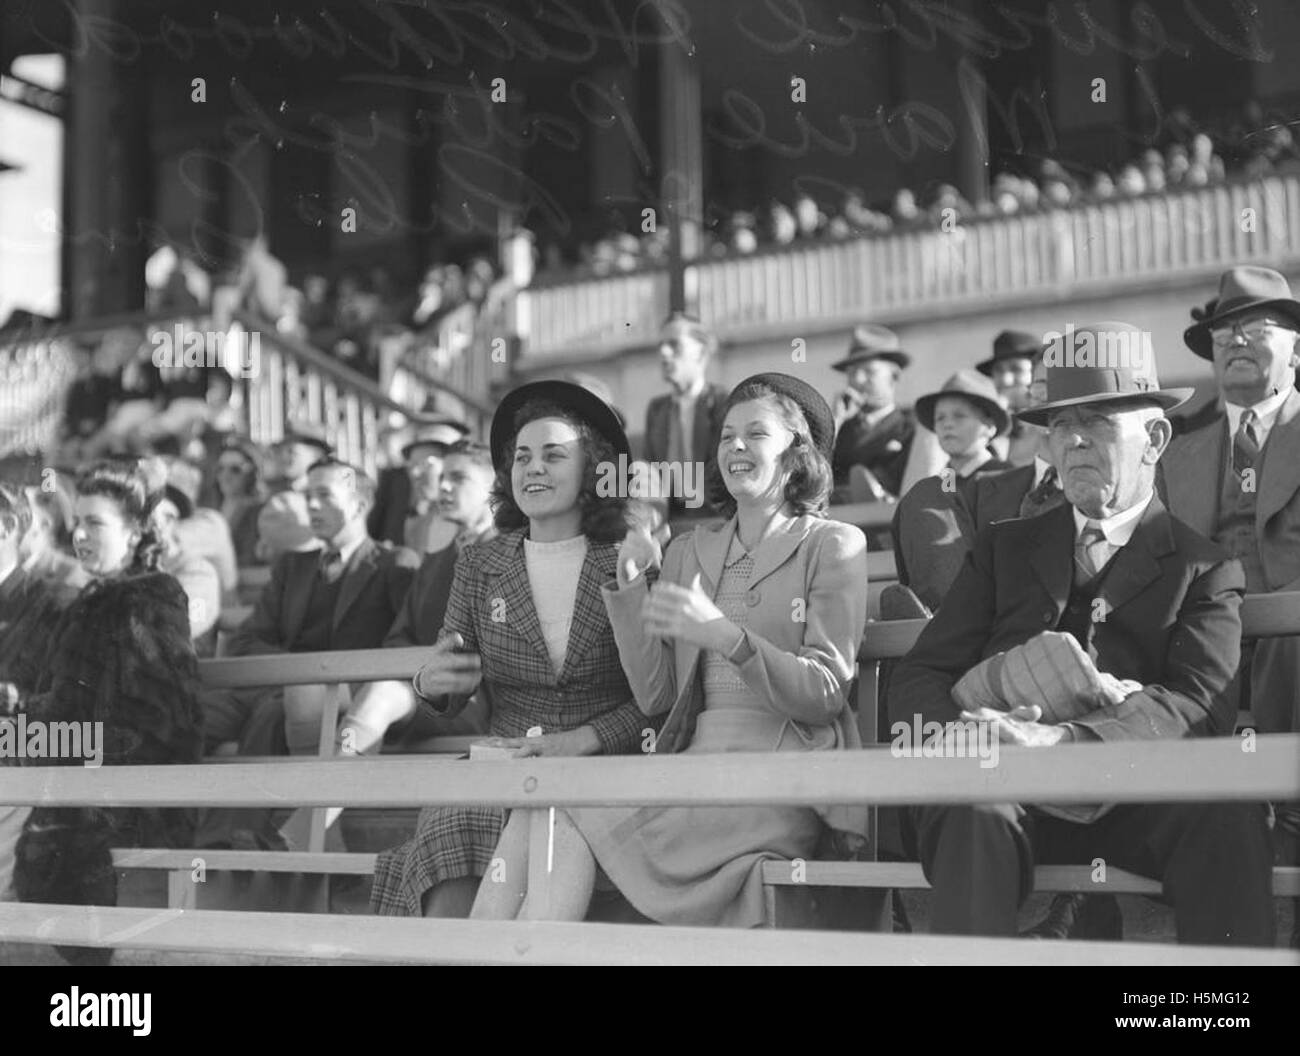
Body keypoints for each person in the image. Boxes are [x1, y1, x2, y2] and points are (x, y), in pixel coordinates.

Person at [890, 323, 1274, 947]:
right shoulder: (1002, 549)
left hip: (1131, 796)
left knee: (1229, 812)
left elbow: (1200, 706)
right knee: (968, 801)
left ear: (1154, 438)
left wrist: (1062, 739)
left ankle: (1219, 1012)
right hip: (1003, 790)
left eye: (1094, 423)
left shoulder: (1201, 565)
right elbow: (918, 676)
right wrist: (965, 737)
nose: (1071, 441)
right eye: (1059, 426)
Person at [470, 373, 869, 926]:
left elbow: (825, 694)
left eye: (756, 434)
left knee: (562, 817)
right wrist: (631, 586)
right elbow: (656, 697)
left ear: (797, 453)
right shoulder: (687, 551)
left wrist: (725, 635)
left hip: (781, 777)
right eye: (727, 436)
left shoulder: (832, 543)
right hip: (691, 770)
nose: (735, 447)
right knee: (548, 808)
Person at [370, 380, 647, 919]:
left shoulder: (628, 559)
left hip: (607, 763)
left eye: (553, 455)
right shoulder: (478, 563)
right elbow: (449, 684)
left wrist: (584, 740)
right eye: (522, 457)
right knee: (449, 824)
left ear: (593, 470)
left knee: (556, 822)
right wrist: (431, 683)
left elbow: (661, 697)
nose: (533, 468)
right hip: (509, 762)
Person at [11, 461, 204, 965]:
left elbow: (156, 726)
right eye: (77, 522)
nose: (79, 535)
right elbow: (57, 710)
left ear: (136, 531)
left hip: (126, 801)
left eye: (96, 524)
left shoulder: (153, 597)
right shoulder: (87, 602)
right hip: (68, 782)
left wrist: (36, 734)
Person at [1163, 266, 1300, 944]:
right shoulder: (1177, 451)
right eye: (1224, 330)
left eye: (1258, 327)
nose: (1237, 339)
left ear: (1297, 348)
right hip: (1207, 645)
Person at [197, 459, 418, 848]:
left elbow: (402, 643)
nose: (312, 507)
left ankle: (228, 838)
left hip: (340, 698)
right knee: (187, 715)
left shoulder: (393, 564)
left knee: (272, 714)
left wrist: (315, 679)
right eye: (307, 497)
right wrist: (293, 674)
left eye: (324, 496)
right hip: (274, 684)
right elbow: (248, 639)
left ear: (359, 505)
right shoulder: (292, 567)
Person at [337, 438, 499, 757]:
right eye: (443, 479)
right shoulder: (434, 560)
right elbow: (399, 638)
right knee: (318, 701)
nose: (445, 488)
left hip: (480, 704)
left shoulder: (514, 556)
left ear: (495, 488)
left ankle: (318, 801)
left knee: (378, 698)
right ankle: (319, 797)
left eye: (459, 478)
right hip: (423, 693)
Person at [891, 370, 1011, 613]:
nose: (947, 424)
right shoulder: (929, 491)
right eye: (940, 418)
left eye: (959, 416)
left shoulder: (1010, 479)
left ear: (988, 426)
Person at [643, 313, 728, 517]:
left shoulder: (722, 403)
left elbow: (722, 471)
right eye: (661, 346)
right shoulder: (656, 409)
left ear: (700, 353)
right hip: (668, 516)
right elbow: (649, 473)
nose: (664, 353)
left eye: (674, 344)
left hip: (713, 515)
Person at [830, 324, 915, 500]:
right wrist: (833, 423)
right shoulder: (838, 429)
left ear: (894, 376)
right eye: (852, 373)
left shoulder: (911, 426)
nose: (858, 380)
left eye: (869, 372)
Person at [399, 419, 470, 554]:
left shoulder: (477, 526)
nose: (415, 473)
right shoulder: (415, 526)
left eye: (426, 464)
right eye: (412, 465)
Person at [976, 330, 1042, 466]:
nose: (1005, 380)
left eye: (1016, 369)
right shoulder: (986, 423)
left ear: (1038, 371)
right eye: (999, 370)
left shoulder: (1055, 419)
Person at [212, 437, 266, 567]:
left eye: (235, 469)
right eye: (220, 468)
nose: (225, 475)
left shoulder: (259, 513)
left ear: (252, 473)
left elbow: (249, 559)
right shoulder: (212, 509)